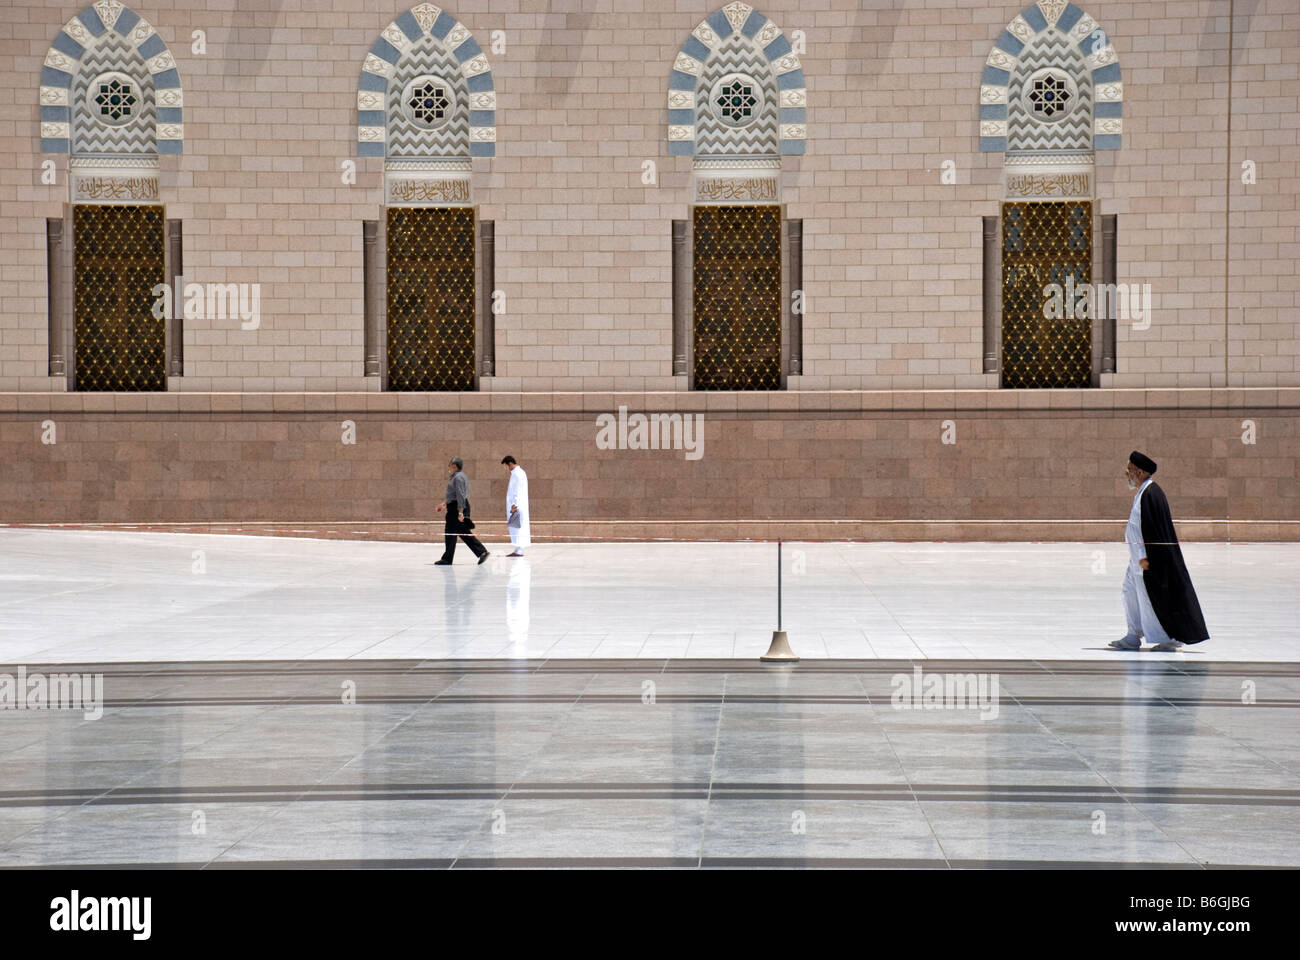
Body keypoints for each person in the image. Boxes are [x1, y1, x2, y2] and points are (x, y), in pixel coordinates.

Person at [1109, 451, 1209, 651]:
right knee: (1130, 593)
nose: (1126, 474)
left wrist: (1152, 561)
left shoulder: (1153, 494)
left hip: (1149, 560)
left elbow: (1159, 532)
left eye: (1129, 470)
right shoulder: (1144, 492)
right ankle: (1133, 635)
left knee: (1153, 599)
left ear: (1139, 472)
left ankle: (1172, 638)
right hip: (1137, 558)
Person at [434, 457, 488, 565]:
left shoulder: (458, 478)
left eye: (450, 466)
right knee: (460, 532)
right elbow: (455, 495)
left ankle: (448, 558)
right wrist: (444, 504)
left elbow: (460, 495)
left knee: (452, 531)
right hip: (455, 506)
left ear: (454, 466)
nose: (449, 468)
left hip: (456, 508)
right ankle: (481, 552)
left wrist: (460, 512)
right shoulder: (459, 476)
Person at [502, 455, 530, 557]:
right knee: (517, 527)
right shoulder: (520, 473)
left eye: (505, 466)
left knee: (517, 527)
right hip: (518, 505)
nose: (505, 469)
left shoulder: (517, 474)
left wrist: (514, 505)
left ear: (509, 464)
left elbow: (516, 491)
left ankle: (519, 550)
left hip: (516, 506)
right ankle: (518, 549)